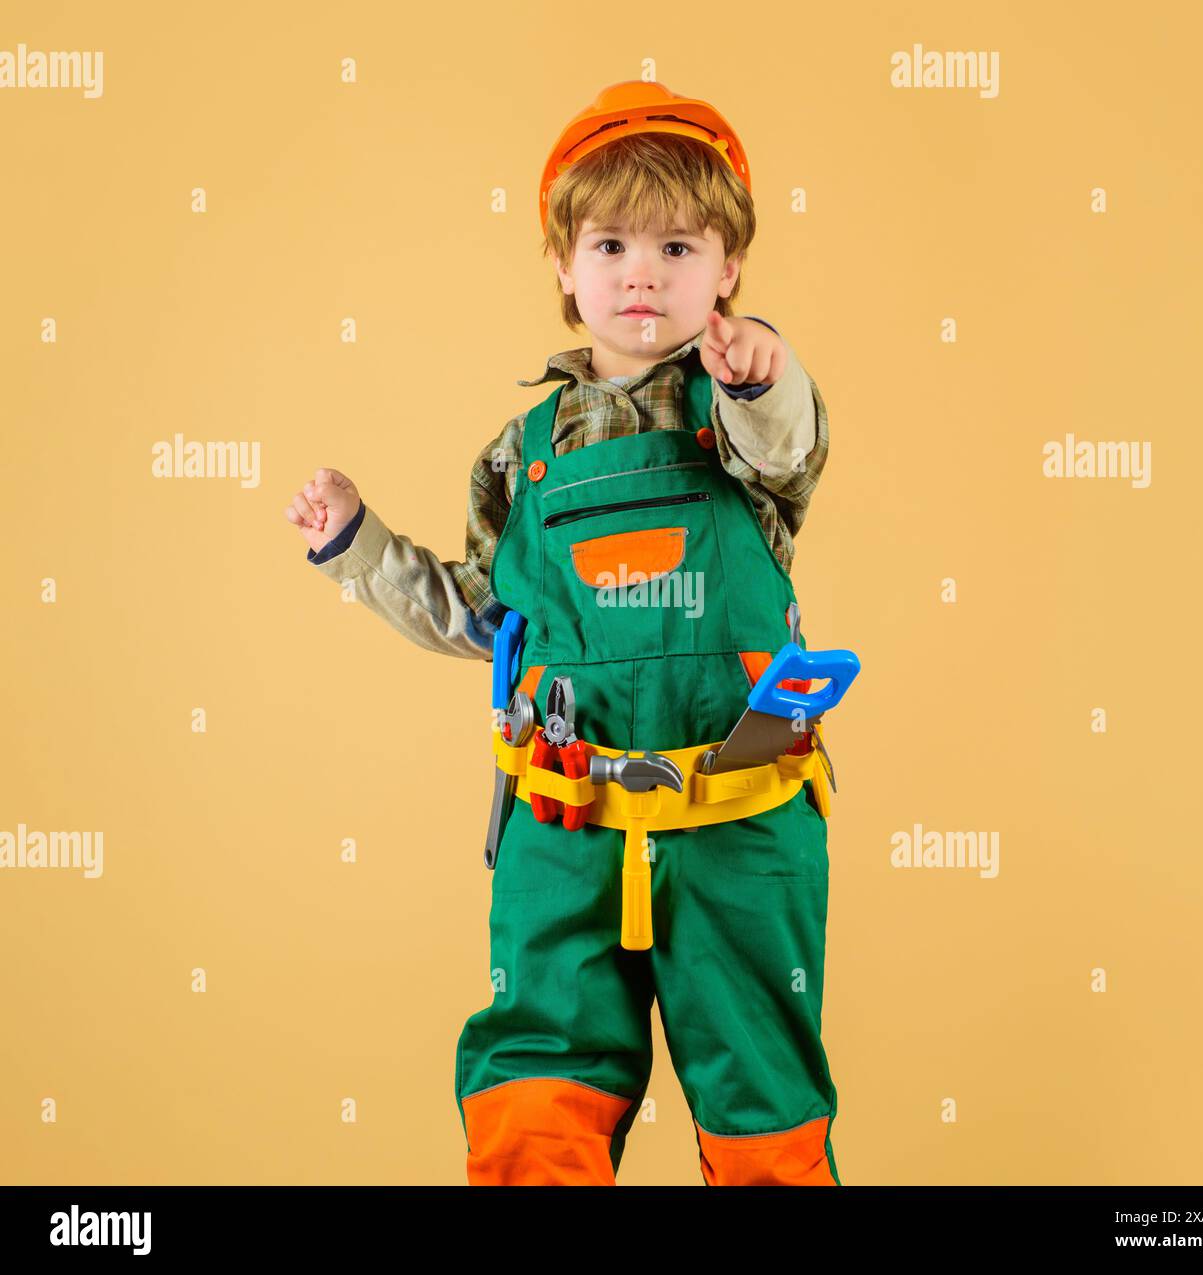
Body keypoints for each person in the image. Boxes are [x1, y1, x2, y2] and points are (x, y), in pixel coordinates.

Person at [284, 81, 840, 1185]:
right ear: (563, 263)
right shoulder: (518, 451)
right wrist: (360, 546)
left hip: (737, 825)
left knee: (760, 1092)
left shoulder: (741, 411)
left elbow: (789, 444)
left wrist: (764, 367)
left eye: (680, 246)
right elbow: (488, 613)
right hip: (562, 821)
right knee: (537, 1081)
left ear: (727, 270)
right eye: (613, 243)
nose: (643, 273)